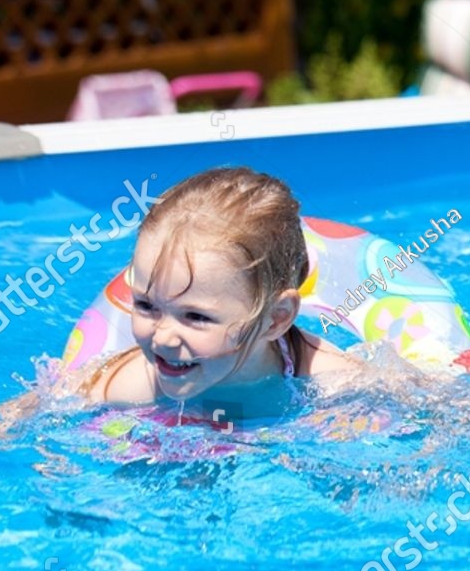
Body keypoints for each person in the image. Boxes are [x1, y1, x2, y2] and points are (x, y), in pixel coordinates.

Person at [40, 167, 358, 424]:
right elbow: (49, 407)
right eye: (147, 305)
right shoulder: (130, 388)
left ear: (275, 319)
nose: (162, 338)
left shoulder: (331, 381)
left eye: (195, 316)